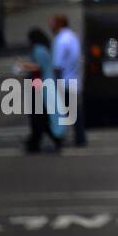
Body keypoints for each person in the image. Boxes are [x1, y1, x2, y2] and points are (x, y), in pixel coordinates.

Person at [21, 27, 64, 154]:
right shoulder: (44, 49)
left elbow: (38, 69)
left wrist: (23, 66)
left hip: (41, 87)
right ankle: (37, 141)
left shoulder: (38, 50)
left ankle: (40, 141)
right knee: (41, 117)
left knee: (39, 117)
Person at [49, 14, 84, 147]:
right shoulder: (73, 37)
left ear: (59, 24)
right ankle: (80, 138)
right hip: (74, 79)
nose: (50, 27)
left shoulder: (60, 40)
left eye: (52, 24)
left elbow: (56, 64)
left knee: (59, 113)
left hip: (63, 80)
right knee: (74, 112)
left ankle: (59, 139)